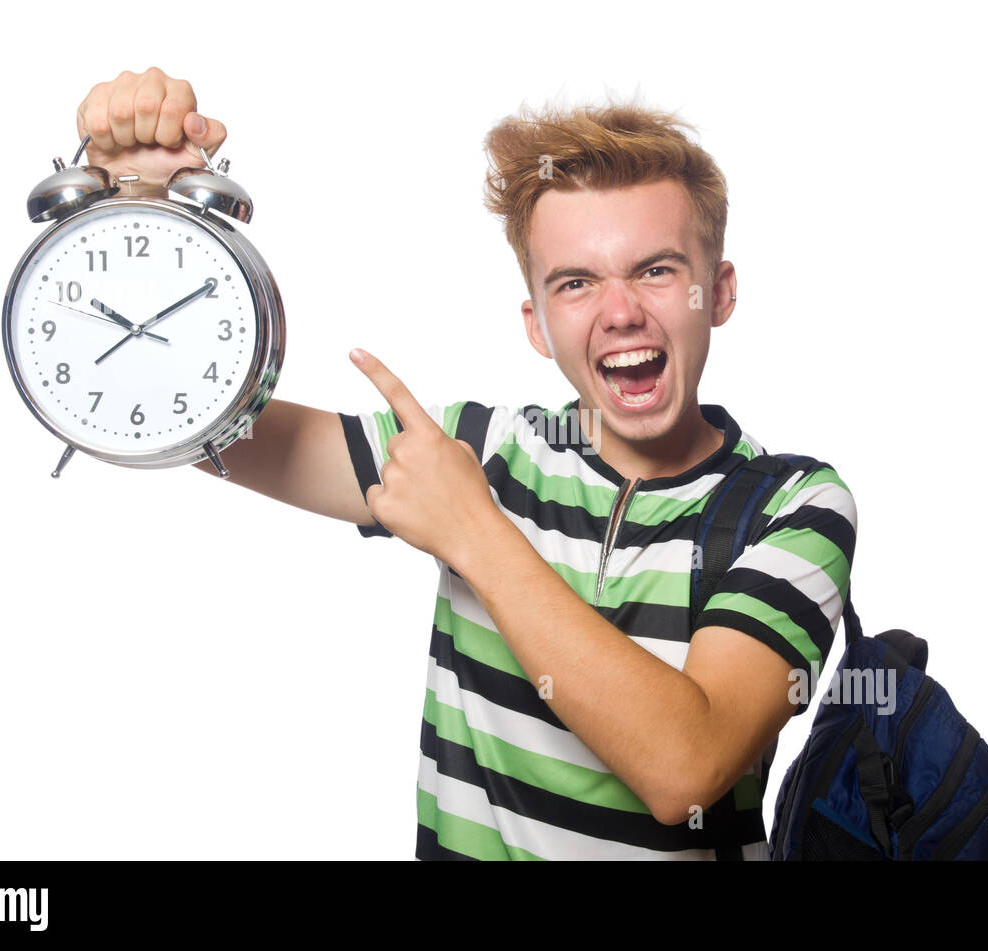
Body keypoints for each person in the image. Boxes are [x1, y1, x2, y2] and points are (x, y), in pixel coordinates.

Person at [75, 67, 858, 860]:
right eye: (576, 282)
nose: (621, 311)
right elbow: (209, 428)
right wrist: (143, 207)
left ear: (718, 292)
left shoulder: (795, 505)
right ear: (538, 323)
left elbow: (684, 768)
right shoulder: (477, 451)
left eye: (656, 270)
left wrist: (473, 532)